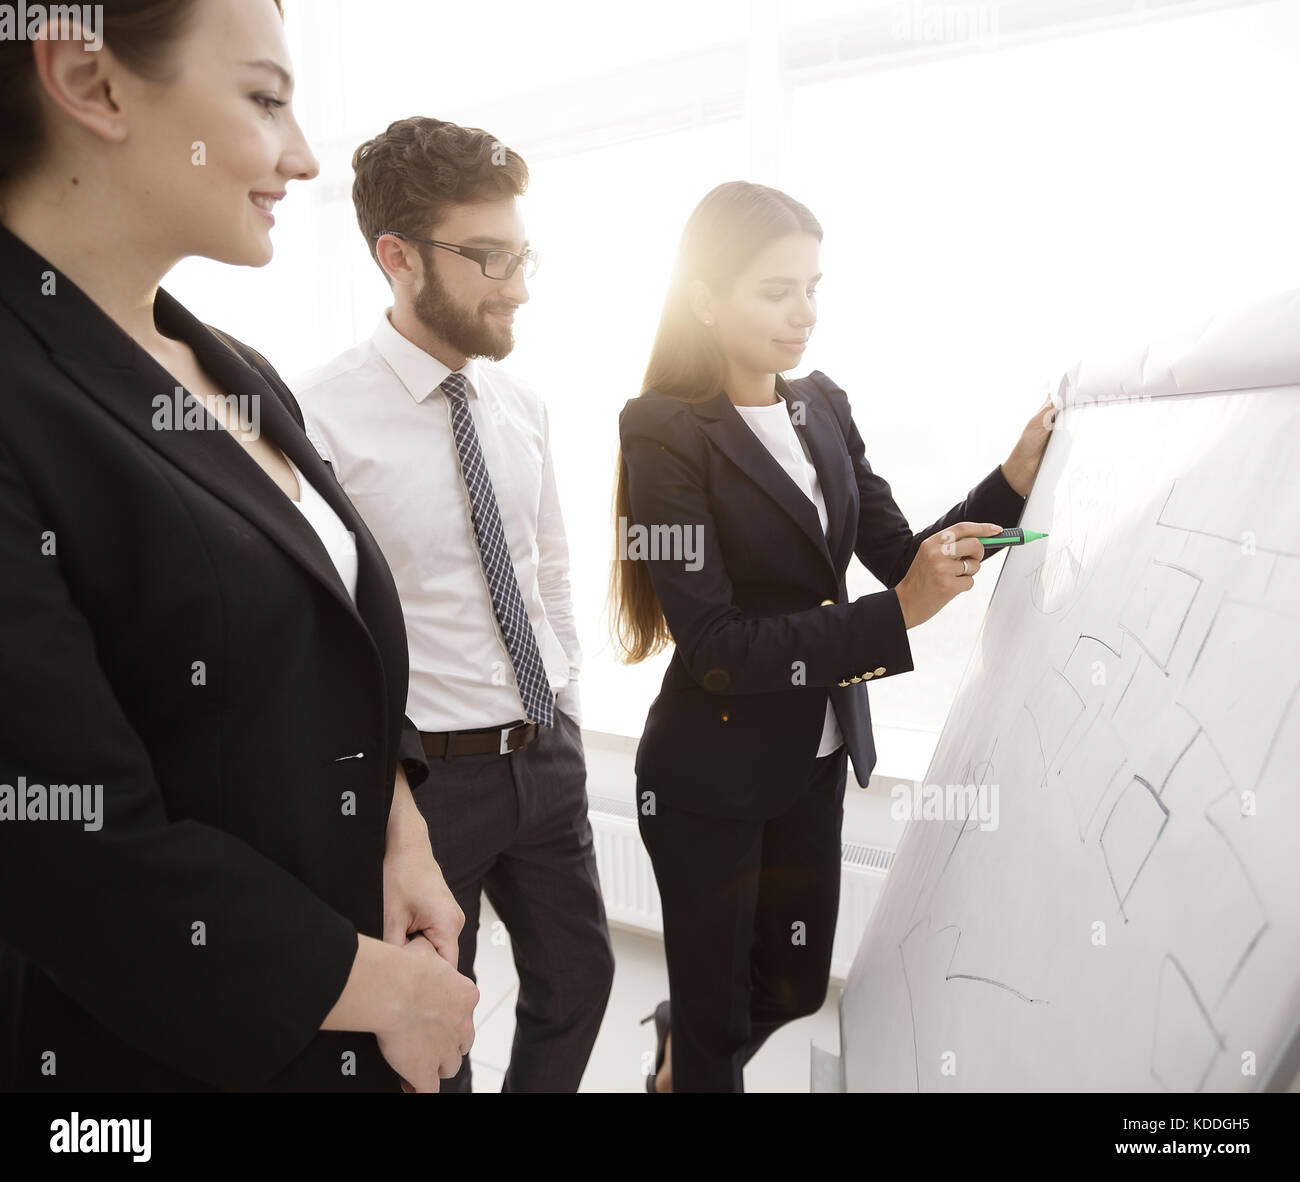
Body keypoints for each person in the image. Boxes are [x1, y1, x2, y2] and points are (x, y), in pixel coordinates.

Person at [0, 0, 476, 1092]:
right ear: (92, 81)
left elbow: (327, 653)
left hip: (356, 997)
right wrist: (381, 991)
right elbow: (66, 846)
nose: (302, 158)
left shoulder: (238, 372)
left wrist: (399, 830)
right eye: (263, 100)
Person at [612, 180, 1052, 1092]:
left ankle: (679, 1038)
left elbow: (902, 552)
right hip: (709, 778)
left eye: (814, 285)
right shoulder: (662, 431)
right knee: (713, 1024)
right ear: (704, 296)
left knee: (793, 982)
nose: (804, 313)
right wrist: (901, 615)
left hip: (813, 756)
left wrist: (1010, 481)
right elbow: (718, 648)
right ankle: (688, 1055)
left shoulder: (821, 404)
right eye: (776, 291)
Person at [294, 117, 615, 1093]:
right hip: (429, 785)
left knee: (583, 976)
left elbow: (545, 568)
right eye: (487, 258)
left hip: (542, 753)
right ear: (396, 257)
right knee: (433, 1031)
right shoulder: (316, 419)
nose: (516, 284)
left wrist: (561, 701)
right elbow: (318, 633)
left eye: (521, 254)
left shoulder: (519, 405)